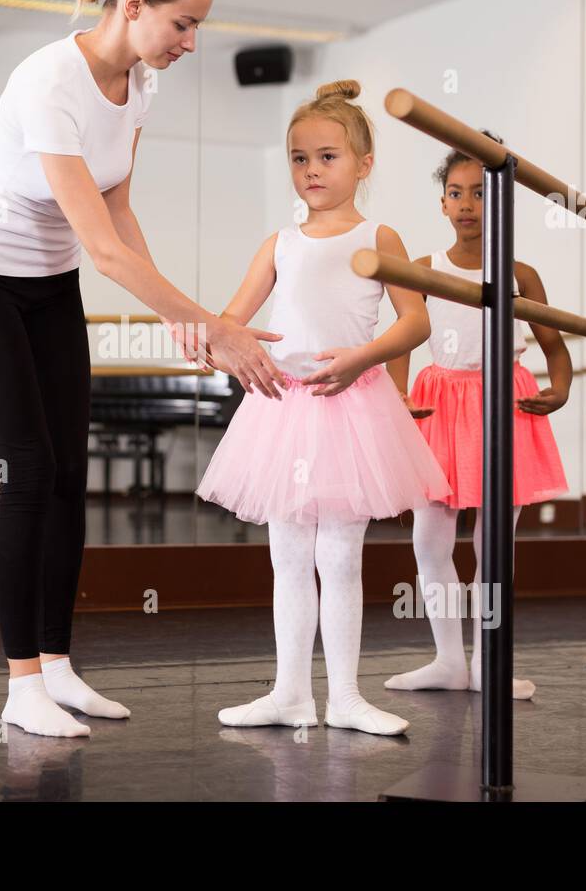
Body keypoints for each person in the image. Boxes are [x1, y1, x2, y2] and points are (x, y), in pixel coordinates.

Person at [0, 0, 286, 739]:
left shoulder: (140, 86)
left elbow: (118, 210)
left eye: (198, 27)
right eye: (182, 24)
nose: (191, 43)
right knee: (27, 469)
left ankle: (57, 667)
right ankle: (19, 683)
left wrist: (182, 322)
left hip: (51, 283)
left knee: (67, 475)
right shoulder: (47, 80)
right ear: (133, 6)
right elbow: (99, 243)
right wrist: (204, 322)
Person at [196, 79, 450, 736]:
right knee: (286, 557)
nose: (311, 170)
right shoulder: (280, 242)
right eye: (299, 157)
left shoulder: (379, 235)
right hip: (284, 411)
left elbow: (414, 322)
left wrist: (365, 358)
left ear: (364, 165)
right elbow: (233, 316)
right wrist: (221, 342)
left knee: (339, 556)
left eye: (328, 156)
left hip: (349, 409)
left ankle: (344, 697)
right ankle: (289, 694)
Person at [384, 134, 571, 700]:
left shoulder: (520, 274)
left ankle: (489, 661)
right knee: (429, 542)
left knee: (495, 546)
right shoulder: (421, 267)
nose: (467, 205)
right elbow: (403, 342)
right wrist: (397, 397)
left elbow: (555, 349)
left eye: (480, 194)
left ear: (501, 201)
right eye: (455, 193)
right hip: (440, 403)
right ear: (442, 203)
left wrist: (558, 389)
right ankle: (448, 660)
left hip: (502, 404)